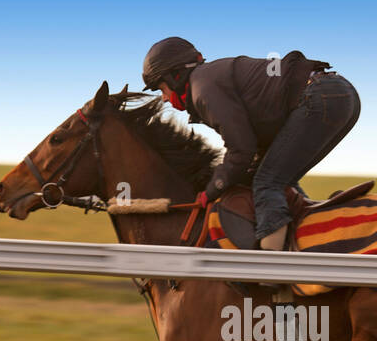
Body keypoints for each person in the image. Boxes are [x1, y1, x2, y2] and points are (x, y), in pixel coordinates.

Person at [141, 37, 361, 250]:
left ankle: (273, 271)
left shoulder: (203, 90)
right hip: (340, 96)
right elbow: (252, 148)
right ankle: (306, 239)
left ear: (175, 77)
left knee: (267, 183)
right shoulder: (207, 80)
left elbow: (241, 150)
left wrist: (210, 191)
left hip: (321, 97)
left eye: (162, 89)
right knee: (276, 179)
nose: (163, 98)